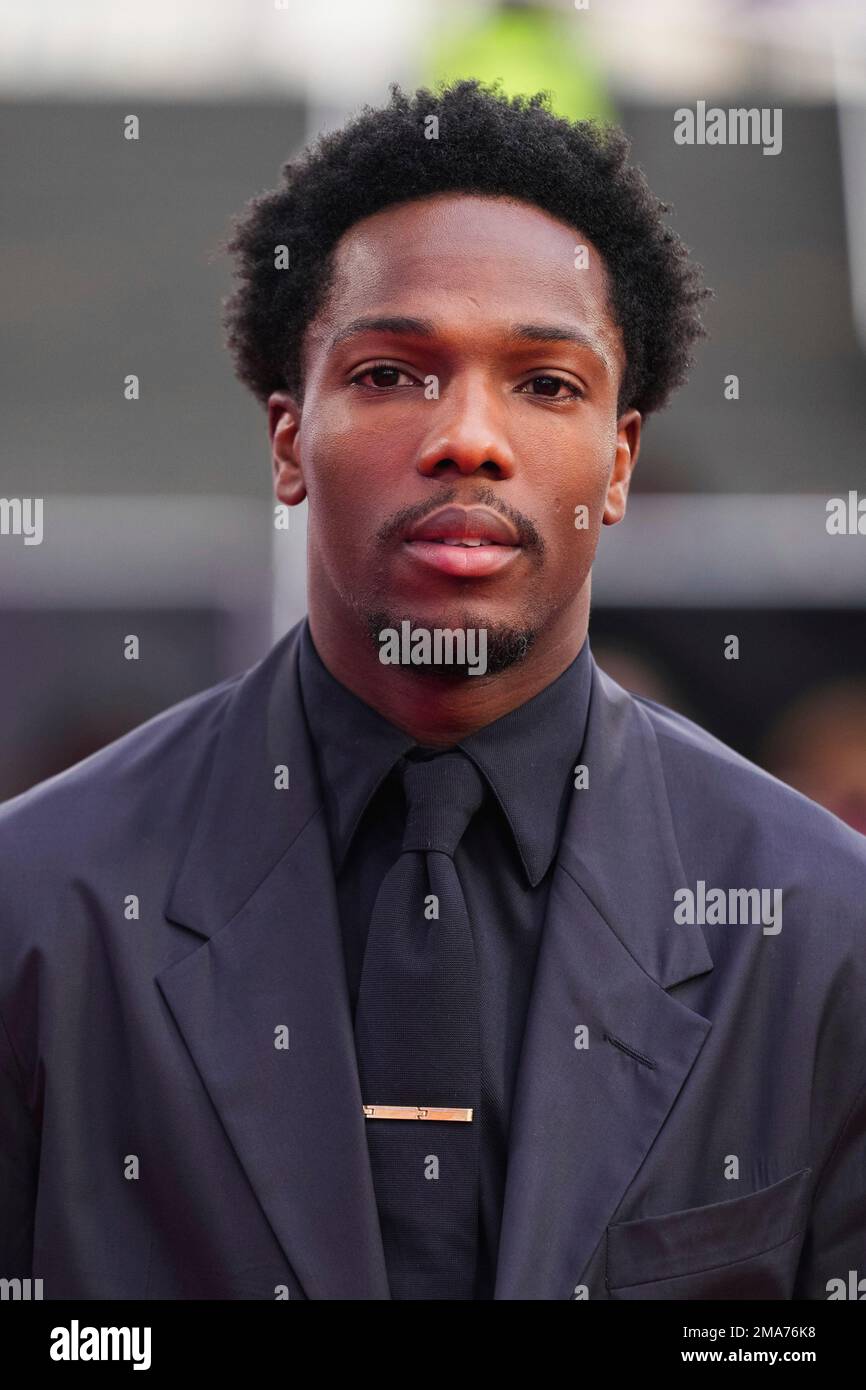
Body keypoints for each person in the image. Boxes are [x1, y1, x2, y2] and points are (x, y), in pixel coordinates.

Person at [1, 80, 864, 1301]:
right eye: (394, 372)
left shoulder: (823, 925)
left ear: (617, 463)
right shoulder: (36, 908)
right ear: (288, 441)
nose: (468, 435)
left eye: (546, 383)